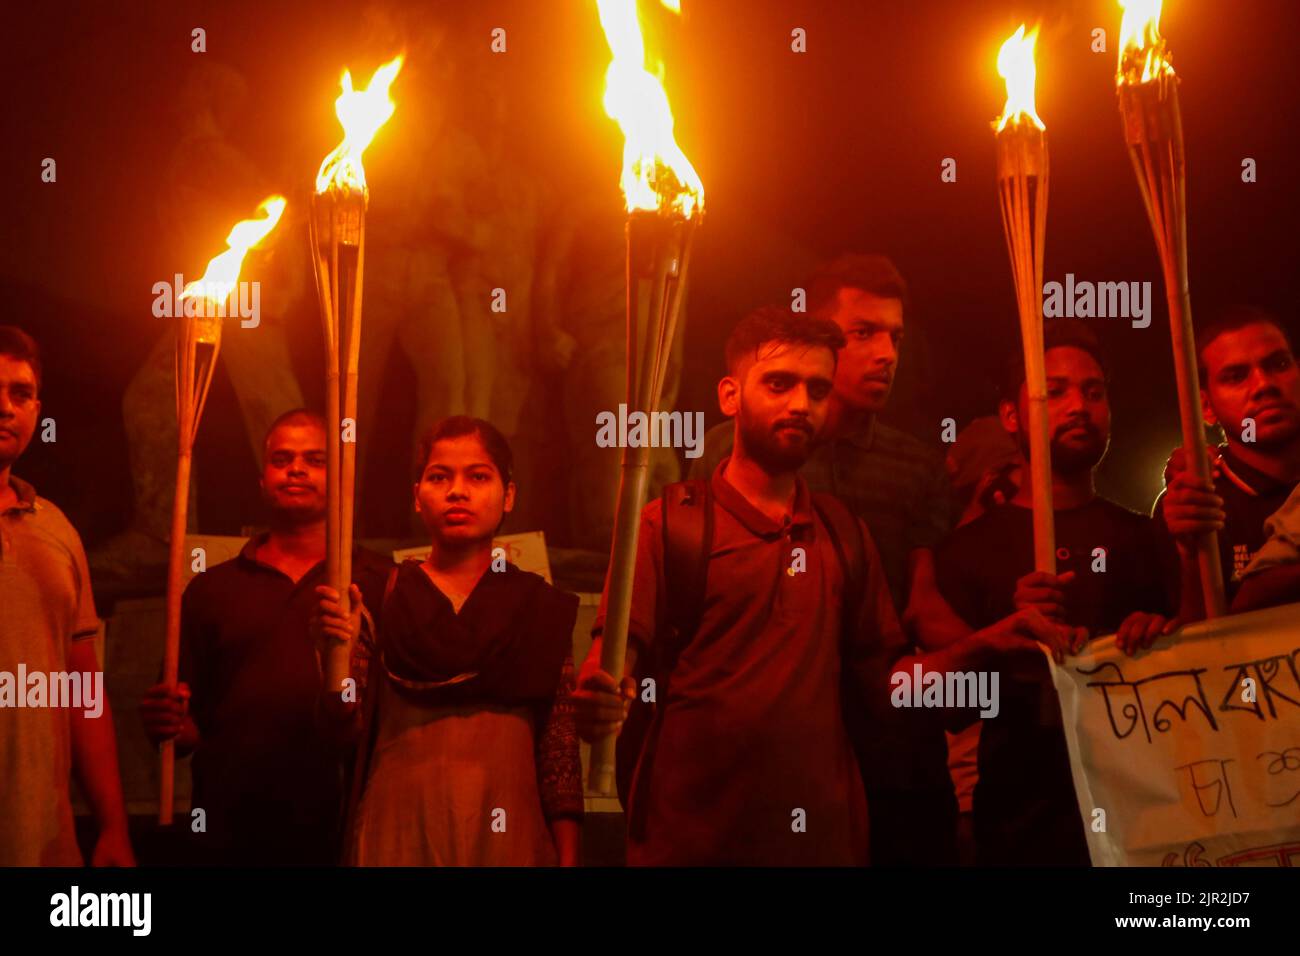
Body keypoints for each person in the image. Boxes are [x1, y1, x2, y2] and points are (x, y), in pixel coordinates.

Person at [577, 307, 1079, 866]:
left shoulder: (844, 534)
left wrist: (986, 642)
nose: (799, 404)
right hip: (687, 842)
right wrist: (601, 696)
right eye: (778, 383)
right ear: (729, 395)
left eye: (817, 389)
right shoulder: (669, 524)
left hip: (821, 844)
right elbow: (614, 658)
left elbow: (890, 686)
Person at [690, 255, 959, 865]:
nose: (887, 352)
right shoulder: (726, 452)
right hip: (764, 737)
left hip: (887, 736)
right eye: (864, 333)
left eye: (895, 335)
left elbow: (923, 605)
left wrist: (1002, 652)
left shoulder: (916, 466)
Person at [935, 319, 1173, 867]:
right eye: (1054, 392)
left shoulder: (1147, 538)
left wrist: (1162, 637)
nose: (1079, 406)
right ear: (1011, 417)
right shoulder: (964, 553)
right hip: (1020, 832)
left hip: (1145, 824)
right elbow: (950, 708)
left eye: (1094, 392)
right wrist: (1000, 638)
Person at [316, 416, 583, 866]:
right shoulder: (378, 596)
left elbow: (559, 753)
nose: (458, 491)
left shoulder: (539, 608)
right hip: (397, 831)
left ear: (509, 495)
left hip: (508, 832)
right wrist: (331, 658)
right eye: (440, 477)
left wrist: (569, 856)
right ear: (417, 497)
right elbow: (343, 725)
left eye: (478, 476)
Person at [139, 409, 389, 865]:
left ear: (340, 480)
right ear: (262, 479)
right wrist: (168, 724)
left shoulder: (377, 582)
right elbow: (189, 726)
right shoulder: (211, 589)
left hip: (346, 829)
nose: (296, 469)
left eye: (315, 460)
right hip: (229, 830)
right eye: (282, 459)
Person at [0, 326, 134, 866]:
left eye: (21, 393)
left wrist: (114, 827)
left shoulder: (56, 530)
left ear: (37, 411)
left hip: (41, 839)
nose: (6, 407)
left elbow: (83, 687)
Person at [1153, 306, 1300, 616]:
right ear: (1205, 407)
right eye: (1236, 377)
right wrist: (1191, 554)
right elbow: (1192, 638)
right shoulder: (1194, 502)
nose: (1263, 385)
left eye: (1279, 363)